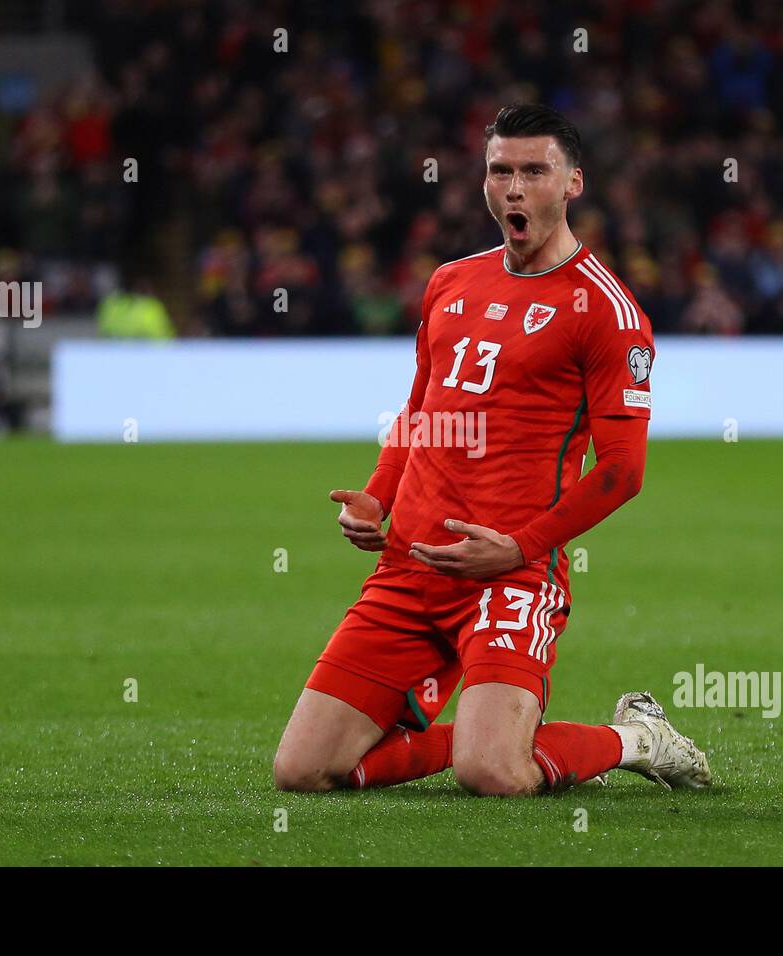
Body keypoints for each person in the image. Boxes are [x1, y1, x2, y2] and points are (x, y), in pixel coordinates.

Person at [274, 104, 711, 796]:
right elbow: (422, 409)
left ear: (572, 183)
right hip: (408, 567)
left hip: (509, 577)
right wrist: (379, 494)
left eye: (534, 171)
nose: (513, 187)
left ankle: (637, 738)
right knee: (300, 772)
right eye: (499, 170)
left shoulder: (608, 312)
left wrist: (519, 548)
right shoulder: (451, 281)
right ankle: (485, 731)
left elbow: (623, 471)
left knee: (496, 774)